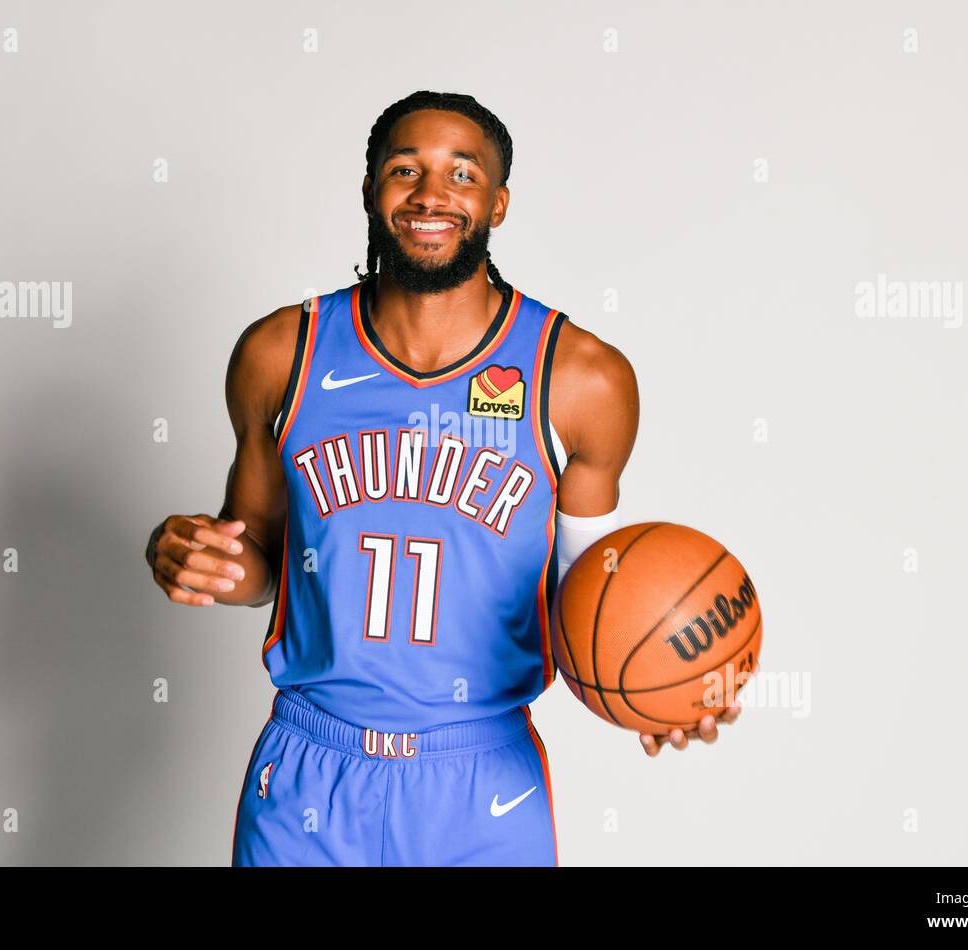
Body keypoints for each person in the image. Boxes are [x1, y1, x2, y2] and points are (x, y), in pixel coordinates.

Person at [146, 90, 738, 866]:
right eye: (405, 170)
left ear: (498, 203)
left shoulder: (581, 379)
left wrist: (663, 678)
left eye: (463, 174)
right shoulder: (280, 352)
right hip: (310, 766)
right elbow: (258, 562)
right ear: (371, 192)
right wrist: (191, 554)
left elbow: (583, 595)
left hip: (481, 778)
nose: (432, 194)